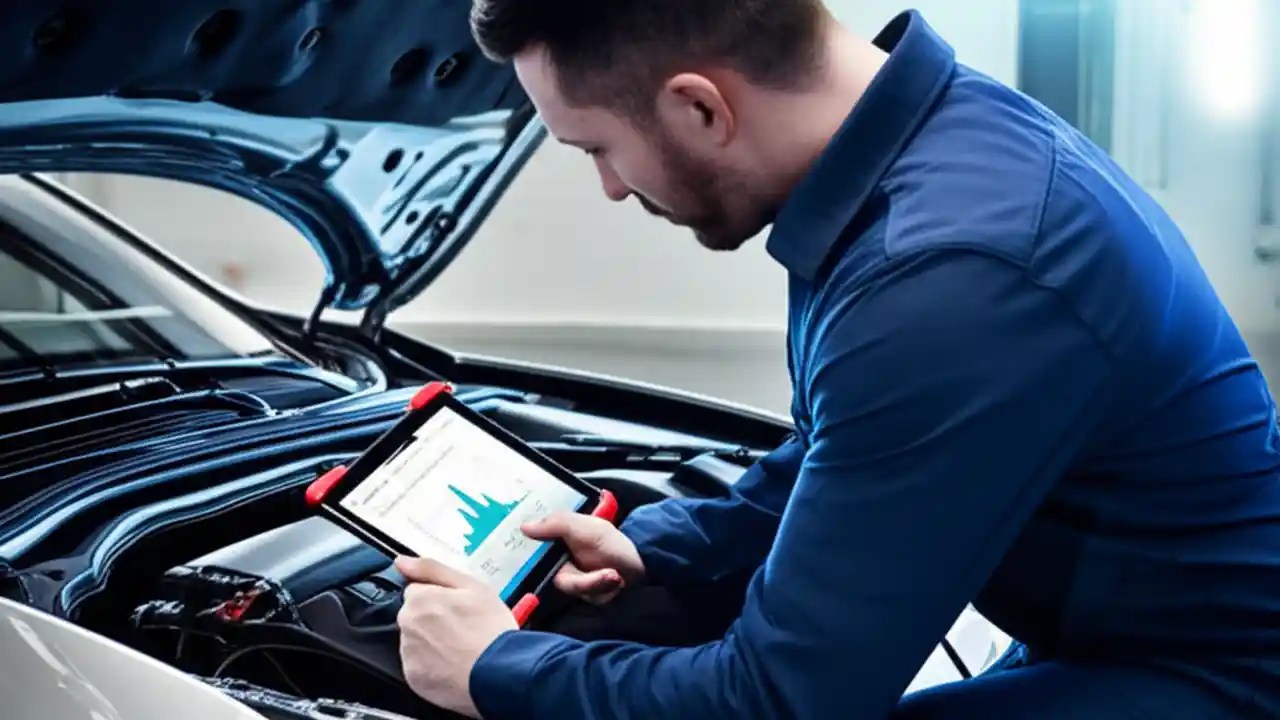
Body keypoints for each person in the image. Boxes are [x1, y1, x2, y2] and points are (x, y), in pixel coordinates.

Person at [393, 3, 1280, 718]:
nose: (613, 188)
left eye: (594, 149)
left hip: (1221, 679)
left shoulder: (949, 273)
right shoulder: (923, 145)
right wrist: (653, 550)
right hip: (1125, 633)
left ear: (701, 107)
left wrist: (493, 671)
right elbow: (838, 451)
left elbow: (779, 700)